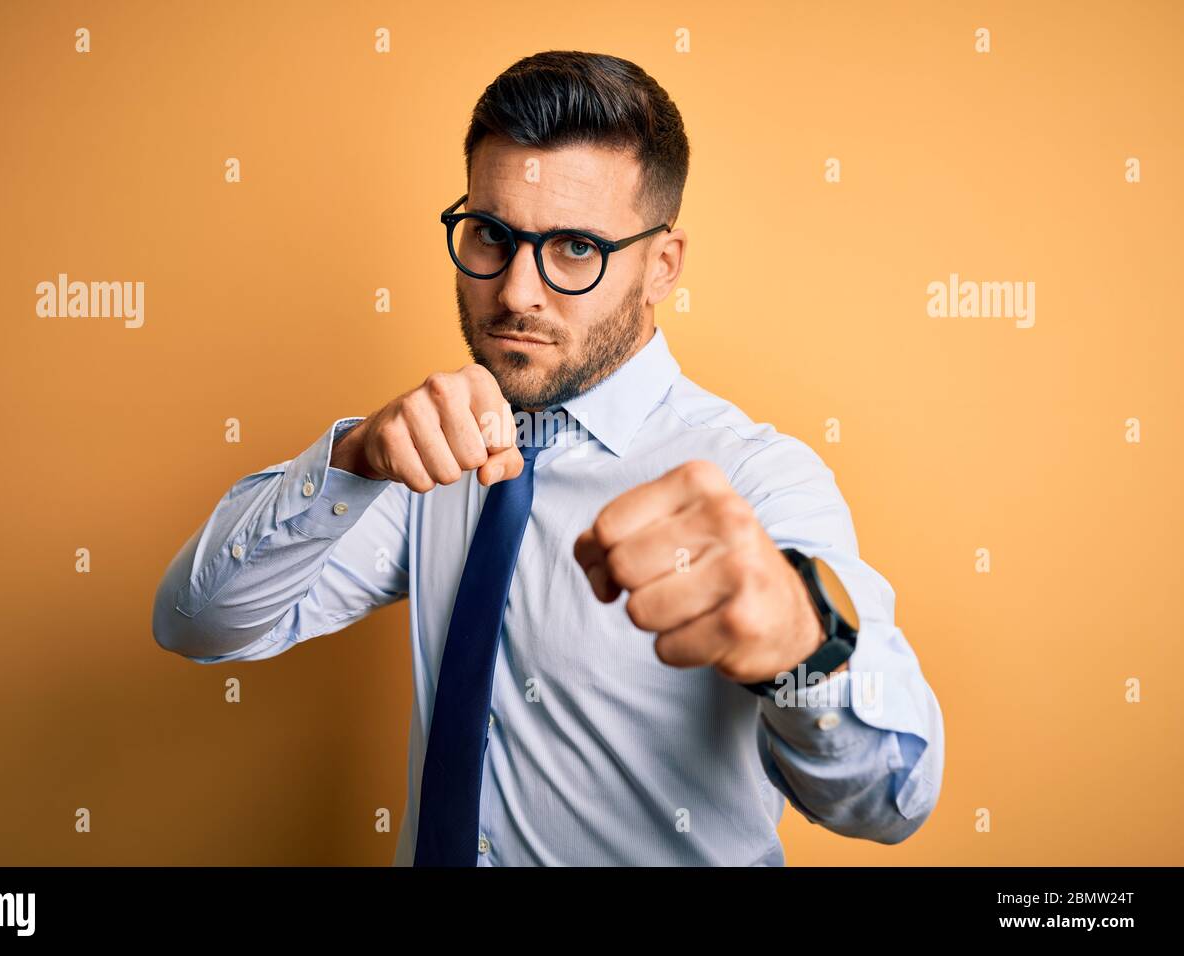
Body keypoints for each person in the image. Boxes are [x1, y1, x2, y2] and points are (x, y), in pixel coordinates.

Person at [152, 50, 944, 866]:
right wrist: (351, 458)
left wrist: (801, 646)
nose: (517, 291)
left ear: (661, 266)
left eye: (573, 248)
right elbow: (197, 623)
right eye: (493, 235)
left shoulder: (753, 480)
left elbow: (894, 803)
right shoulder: (435, 454)